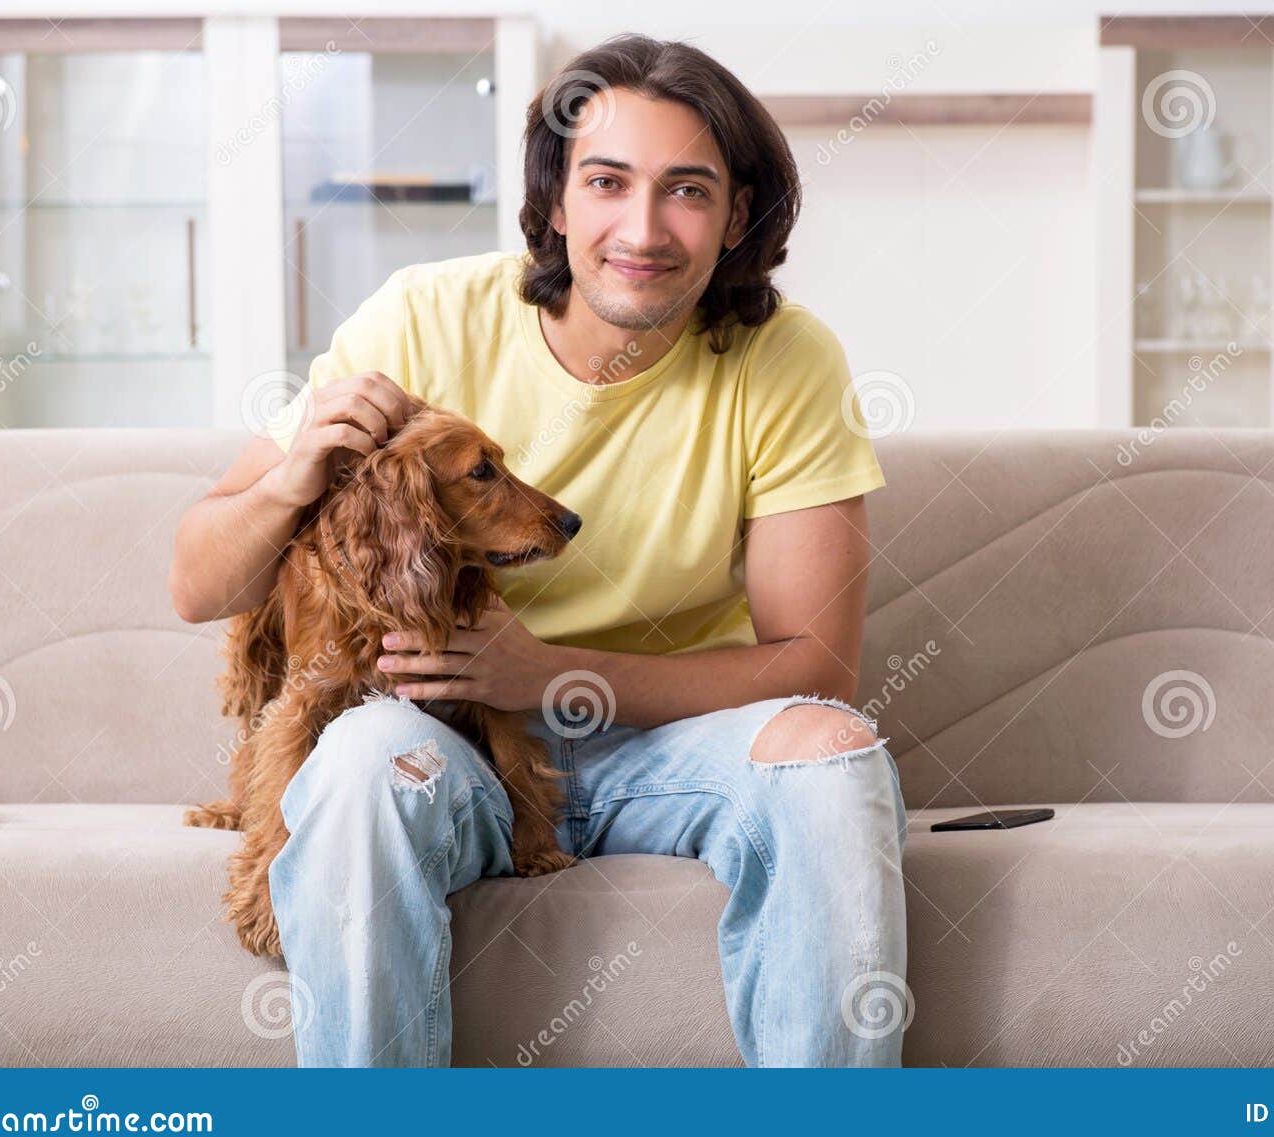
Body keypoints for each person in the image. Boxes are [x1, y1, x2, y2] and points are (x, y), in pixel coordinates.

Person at [168, 33, 908, 1067]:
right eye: (607, 182)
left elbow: (814, 668)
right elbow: (197, 583)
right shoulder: (424, 316)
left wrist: (551, 673)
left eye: (687, 191)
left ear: (736, 216)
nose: (642, 230)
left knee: (828, 755)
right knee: (355, 763)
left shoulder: (786, 360)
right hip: (450, 743)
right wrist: (295, 477)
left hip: (665, 750)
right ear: (556, 200)